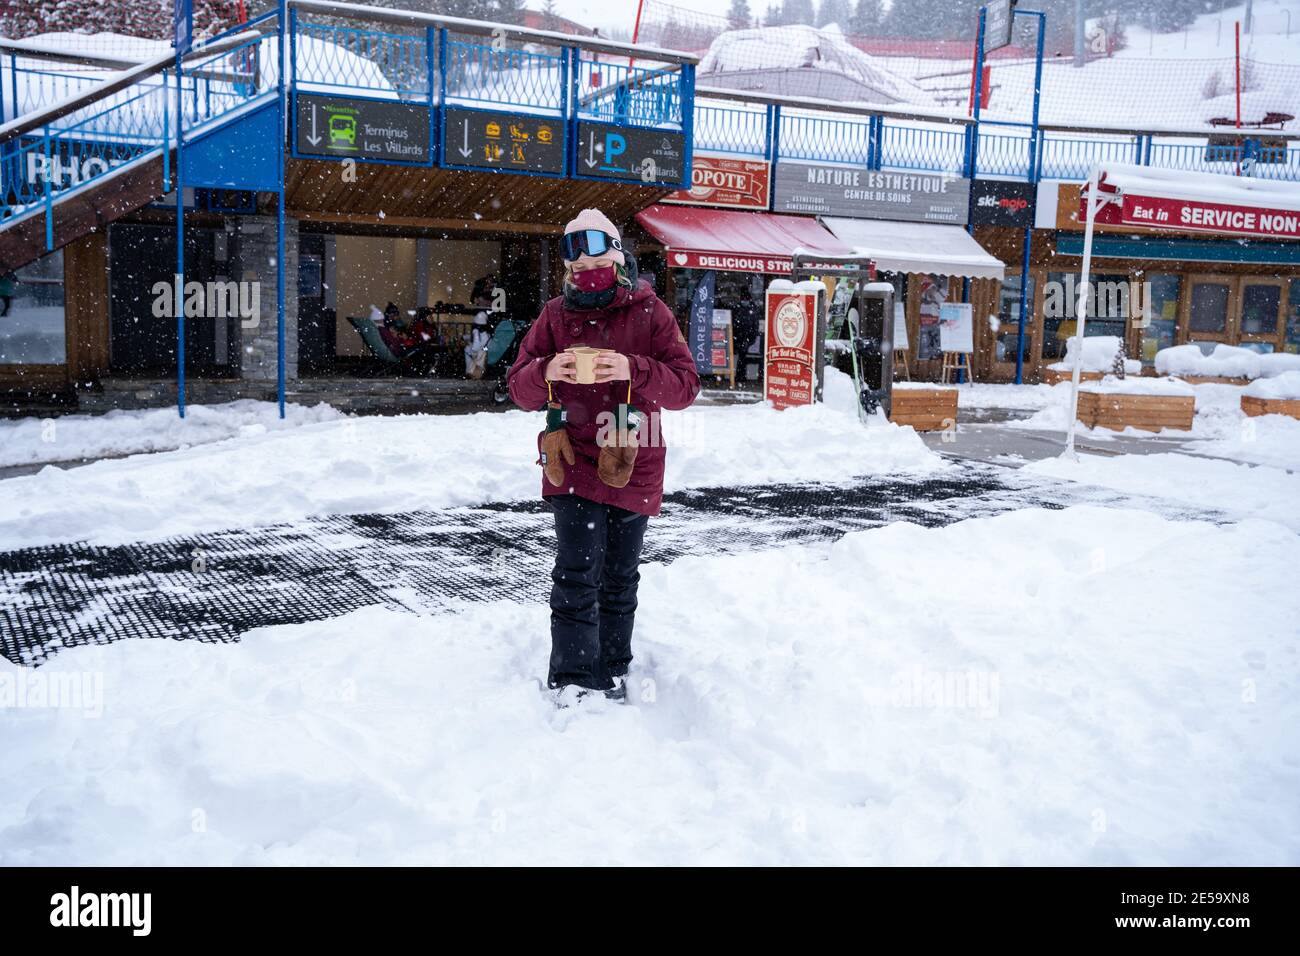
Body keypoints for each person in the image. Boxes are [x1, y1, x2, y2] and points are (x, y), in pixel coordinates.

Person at [508, 209, 700, 705]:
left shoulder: (651, 312)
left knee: (618, 575)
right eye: (575, 269)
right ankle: (573, 678)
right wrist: (548, 368)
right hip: (571, 455)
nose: (585, 275)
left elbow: (686, 388)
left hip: (633, 453)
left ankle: (612, 669)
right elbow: (519, 388)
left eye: (596, 263)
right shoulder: (553, 316)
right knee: (576, 571)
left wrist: (632, 367)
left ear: (619, 262)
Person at [464, 277, 494, 378]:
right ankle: (472, 372)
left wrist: (475, 346)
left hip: (483, 343)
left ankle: (472, 373)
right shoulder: (483, 314)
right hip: (485, 341)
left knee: (474, 352)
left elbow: (479, 335)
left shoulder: (481, 315)